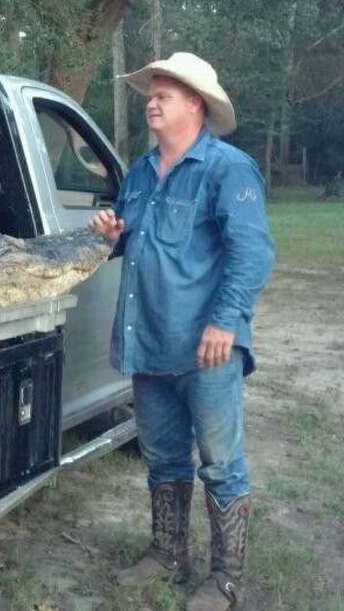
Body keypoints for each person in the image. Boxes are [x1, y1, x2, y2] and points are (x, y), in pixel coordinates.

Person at [90, 52, 274, 611]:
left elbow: (252, 252)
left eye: (164, 93)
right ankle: (168, 554)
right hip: (149, 341)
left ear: (195, 104)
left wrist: (226, 320)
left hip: (207, 348)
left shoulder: (227, 169)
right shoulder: (141, 173)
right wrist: (111, 231)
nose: (151, 100)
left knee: (220, 461)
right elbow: (133, 242)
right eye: (151, 93)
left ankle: (226, 580)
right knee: (164, 458)